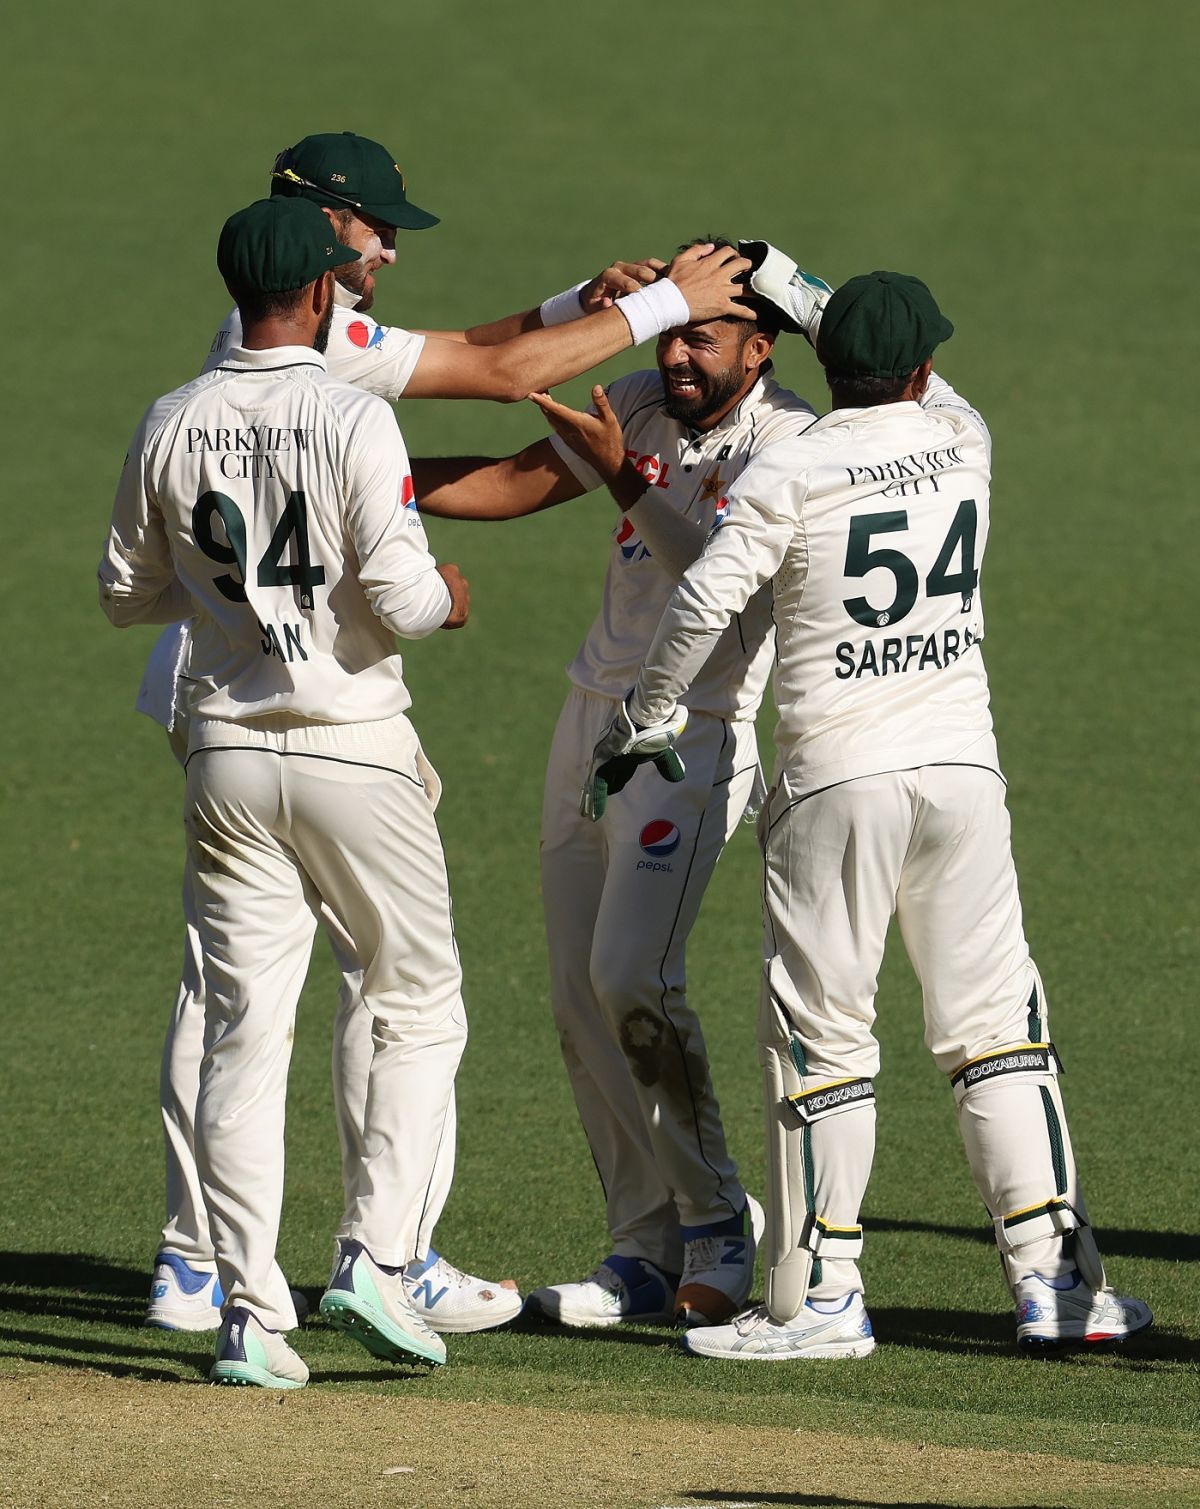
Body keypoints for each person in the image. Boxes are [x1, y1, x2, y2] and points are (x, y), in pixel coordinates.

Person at [140, 131, 754, 1338]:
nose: (387, 251)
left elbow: (480, 347)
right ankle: (383, 1255)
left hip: (218, 686)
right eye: (375, 229)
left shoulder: (284, 323)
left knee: (233, 992)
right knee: (388, 987)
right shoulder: (317, 340)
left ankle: (201, 1270)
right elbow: (503, 372)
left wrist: (586, 302)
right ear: (321, 227)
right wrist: (667, 304)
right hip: (308, 692)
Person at [592, 269, 1154, 1358]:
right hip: (963, 773)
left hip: (838, 778)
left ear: (825, 366)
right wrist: (780, 271)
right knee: (998, 1029)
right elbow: (874, 348)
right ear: (923, 368)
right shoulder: (962, 435)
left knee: (822, 1036)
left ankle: (820, 1298)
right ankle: (1057, 1286)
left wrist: (647, 714)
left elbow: (706, 595)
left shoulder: (793, 463)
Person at [101, 195, 489, 1387]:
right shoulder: (352, 415)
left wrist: (237, 614)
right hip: (352, 747)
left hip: (223, 750)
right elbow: (407, 602)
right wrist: (452, 598)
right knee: (415, 1000)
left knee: (241, 1031)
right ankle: (376, 1255)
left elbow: (125, 594)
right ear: (323, 291)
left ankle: (246, 1315)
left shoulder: (172, 416)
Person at [411, 240, 829, 1327]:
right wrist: (366, 479)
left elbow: (734, 597)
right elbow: (516, 478)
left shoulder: (793, 445)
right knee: (576, 995)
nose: (676, 356)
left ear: (760, 347)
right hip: (590, 717)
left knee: (631, 977)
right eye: (671, 332)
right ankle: (642, 1245)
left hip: (693, 735)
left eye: (703, 337)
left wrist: (626, 477)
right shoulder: (639, 399)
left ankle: (717, 1223)